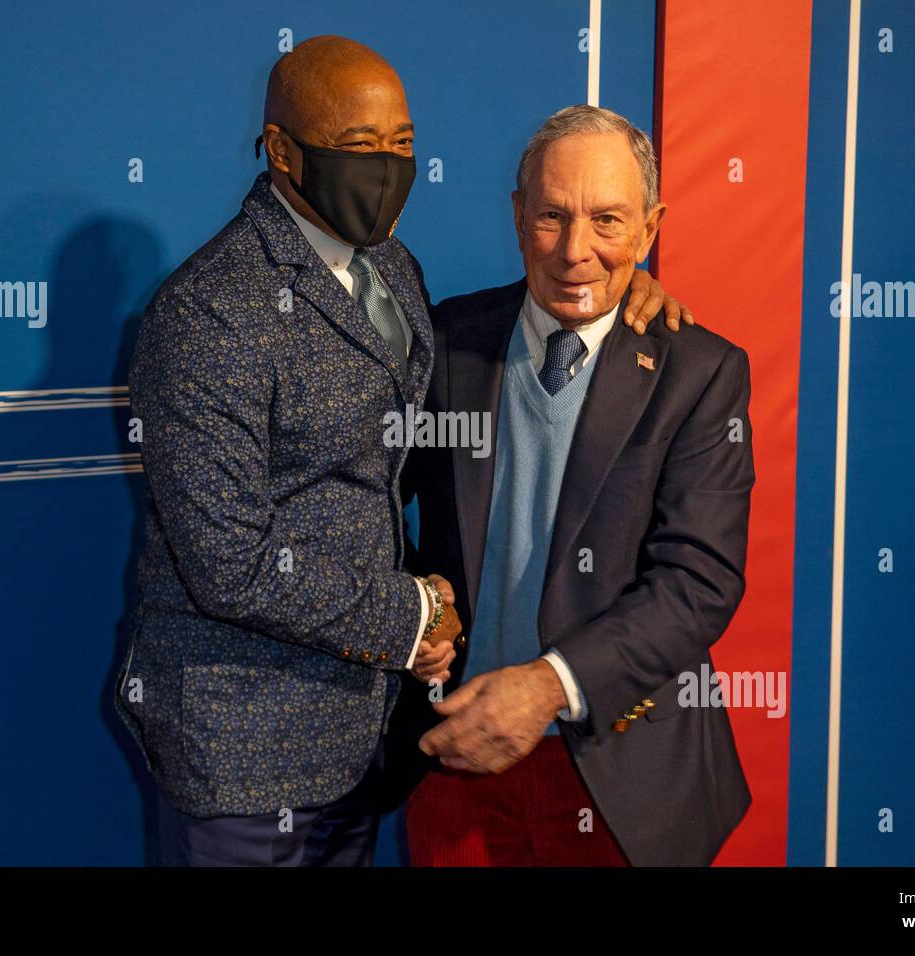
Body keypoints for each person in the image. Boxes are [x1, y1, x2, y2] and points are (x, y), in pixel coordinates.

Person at [113, 38, 687, 866]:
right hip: (244, 745)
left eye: (403, 147)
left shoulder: (390, 266)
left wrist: (614, 289)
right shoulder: (209, 312)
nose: (387, 170)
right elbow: (226, 561)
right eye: (360, 149)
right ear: (281, 151)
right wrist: (410, 617)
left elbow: (425, 434)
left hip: (367, 740)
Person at [390, 105, 754, 866]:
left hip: (624, 778)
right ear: (519, 217)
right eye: (552, 215)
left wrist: (551, 686)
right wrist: (416, 602)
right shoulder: (447, 340)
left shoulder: (701, 372)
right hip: (454, 758)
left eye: (608, 220)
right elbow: (375, 501)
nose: (576, 251)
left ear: (650, 229)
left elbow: (700, 582)